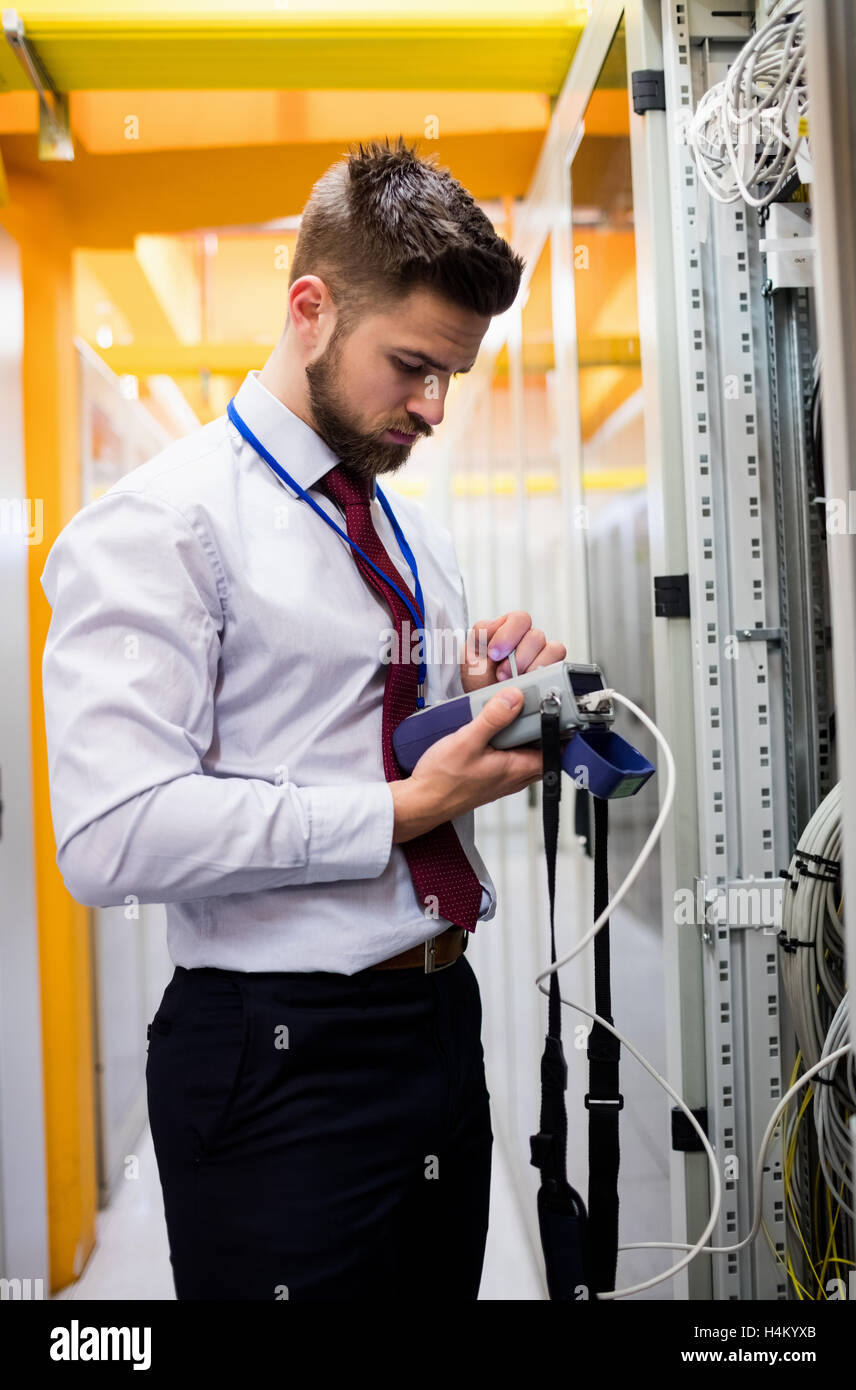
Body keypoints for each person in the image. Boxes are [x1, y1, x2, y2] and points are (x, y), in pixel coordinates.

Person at [40, 135, 567, 1300]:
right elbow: (110, 836)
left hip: (435, 1020)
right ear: (310, 307)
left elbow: (361, 723)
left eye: (451, 379)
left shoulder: (404, 530)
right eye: (411, 365)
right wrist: (394, 811)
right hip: (275, 1055)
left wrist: (481, 687)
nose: (431, 406)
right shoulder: (163, 527)